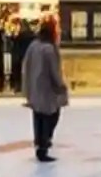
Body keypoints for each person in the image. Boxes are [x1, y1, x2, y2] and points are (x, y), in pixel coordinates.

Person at [23, 20, 68, 163]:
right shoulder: (49, 49)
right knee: (51, 117)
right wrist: (61, 85)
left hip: (35, 89)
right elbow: (54, 70)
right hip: (48, 89)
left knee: (38, 118)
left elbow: (26, 66)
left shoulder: (33, 46)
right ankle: (44, 144)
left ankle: (40, 145)